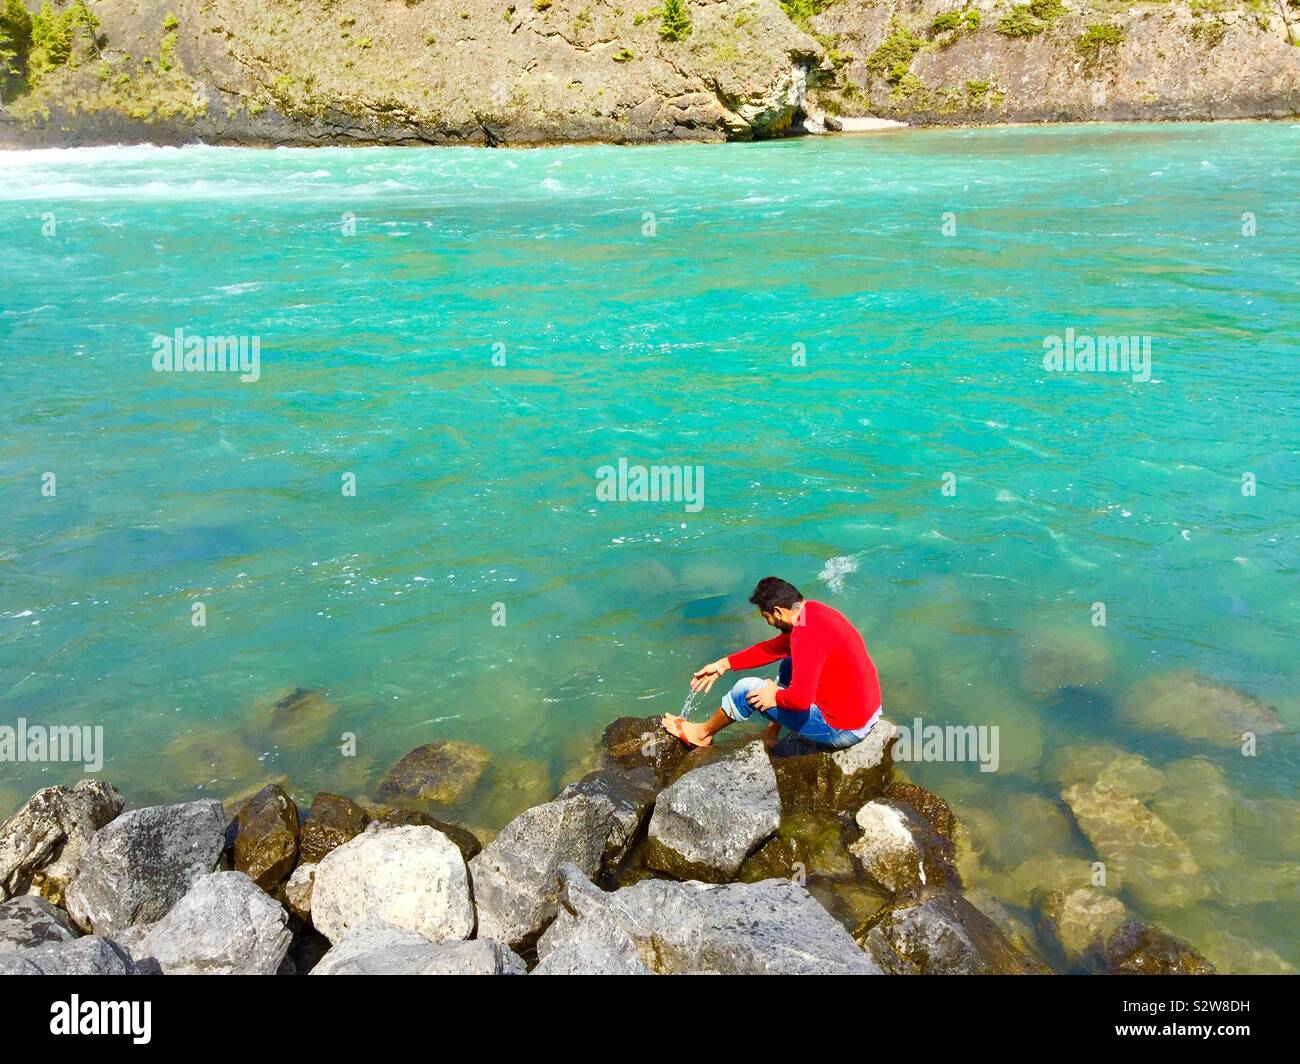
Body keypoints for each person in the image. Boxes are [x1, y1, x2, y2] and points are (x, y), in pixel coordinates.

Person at [663, 576, 881, 750]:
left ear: (777, 611)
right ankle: (772, 730)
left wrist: (773, 695)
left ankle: (702, 734)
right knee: (788, 664)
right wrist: (723, 665)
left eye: (766, 616)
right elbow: (774, 648)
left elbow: (801, 701)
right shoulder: (809, 612)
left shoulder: (806, 636)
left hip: (844, 729)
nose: (768, 622)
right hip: (865, 712)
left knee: (745, 690)